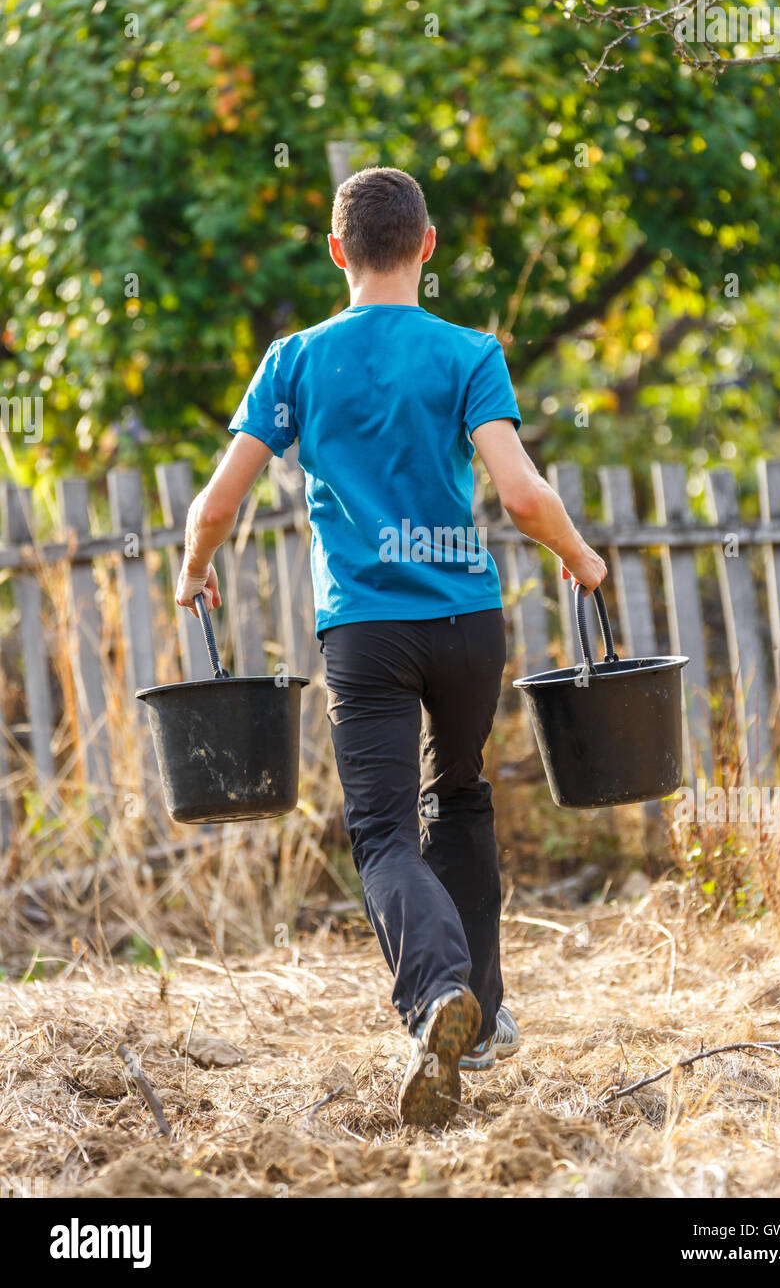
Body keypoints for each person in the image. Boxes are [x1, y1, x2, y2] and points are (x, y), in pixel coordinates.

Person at [175, 167, 607, 1126]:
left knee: (381, 833)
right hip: (465, 622)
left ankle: (436, 995)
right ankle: (483, 1019)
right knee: (460, 798)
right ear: (429, 245)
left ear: (338, 252)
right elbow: (524, 497)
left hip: (366, 632)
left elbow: (217, 504)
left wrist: (192, 569)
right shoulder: (469, 352)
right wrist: (580, 558)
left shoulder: (293, 361)